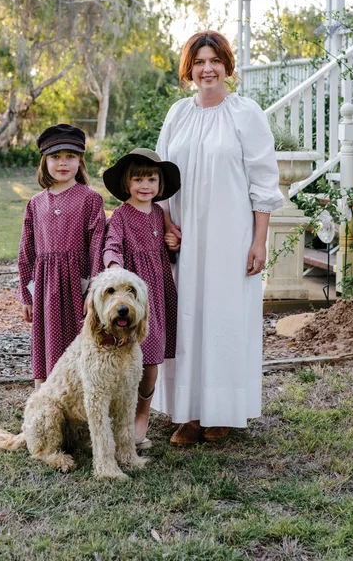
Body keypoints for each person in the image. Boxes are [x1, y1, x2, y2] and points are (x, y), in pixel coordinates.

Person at [153, 30, 284, 444]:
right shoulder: (178, 114)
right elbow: (159, 179)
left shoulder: (246, 114)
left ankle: (221, 411)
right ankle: (188, 414)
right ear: (188, 69)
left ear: (228, 66)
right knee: (187, 318)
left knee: (223, 319)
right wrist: (167, 226)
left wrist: (259, 241)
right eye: (199, 62)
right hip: (184, 238)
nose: (207, 69)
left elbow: (263, 181)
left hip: (230, 236)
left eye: (214, 60)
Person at [102, 148, 180, 450]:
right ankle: (120, 418)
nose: (145, 186)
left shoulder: (160, 214)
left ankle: (142, 416)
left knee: (151, 359)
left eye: (151, 179)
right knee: (127, 358)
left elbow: (170, 245)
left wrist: (174, 242)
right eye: (138, 179)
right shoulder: (121, 215)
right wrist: (114, 266)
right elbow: (112, 244)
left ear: (159, 184)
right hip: (131, 296)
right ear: (127, 183)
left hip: (156, 297)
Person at [17, 123, 106, 390]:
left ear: (80, 160)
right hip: (45, 287)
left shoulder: (91, 199)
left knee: (78, 346)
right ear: (45, 162)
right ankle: (43, 406)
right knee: (45, 345)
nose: (63, 163)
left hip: (76, 285)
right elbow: (26, 251)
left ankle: (76, 407)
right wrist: (25, 293)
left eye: (70, 156)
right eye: (55, 157)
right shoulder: (35, 203)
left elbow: (97, 247)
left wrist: (93, 290)